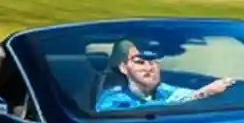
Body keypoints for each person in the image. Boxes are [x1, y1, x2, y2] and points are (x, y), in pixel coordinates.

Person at [95, 38, 235, 112]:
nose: (148, 67)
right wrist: (201, 94)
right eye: (140, 62)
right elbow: (140, 112)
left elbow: (185, 95)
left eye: (153, 62)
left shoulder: (163, 90)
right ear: (123, 68)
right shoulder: (112, 99)